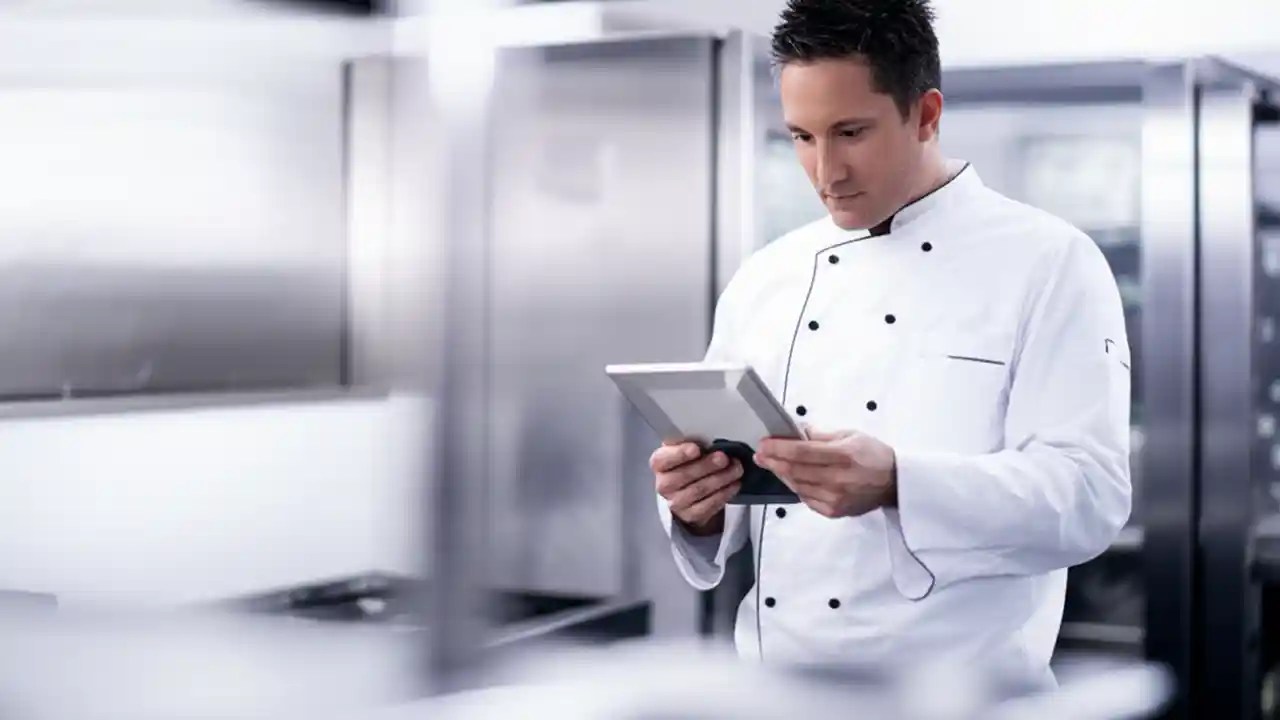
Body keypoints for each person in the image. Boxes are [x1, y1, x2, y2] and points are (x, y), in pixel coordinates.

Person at [650, 0, 1132, 690]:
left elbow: (1090, 496)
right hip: (778, 695)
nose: (826, 172)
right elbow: (724, 505)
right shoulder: (767, 276)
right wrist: (695, 503)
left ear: (927, 114)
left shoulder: (1050, 261)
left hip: (962, 698)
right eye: (801, 136)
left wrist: (900, 482)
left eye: (851, 132)